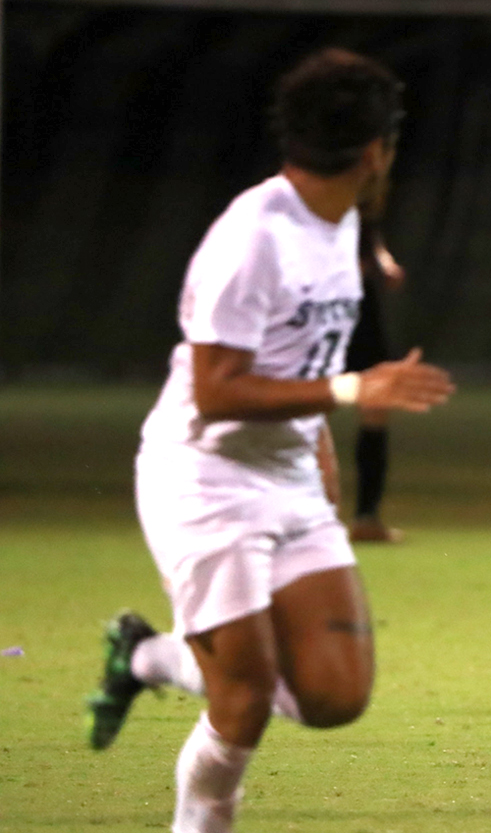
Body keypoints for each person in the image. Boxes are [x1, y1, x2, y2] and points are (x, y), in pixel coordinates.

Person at [86, 48, 455, 832]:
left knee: (334, 697)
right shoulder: (251, 237)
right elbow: (217, 390)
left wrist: (317, 447)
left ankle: (145, 656)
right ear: (375, 151)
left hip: (285, 475)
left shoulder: (343, 222)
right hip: (205, 478)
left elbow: (301, 357)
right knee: (245, 702)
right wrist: (355, 390)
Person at [345, 200, 407, 543]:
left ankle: (367, 517)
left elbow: (369, 238)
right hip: (320, 307)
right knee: (303, 412)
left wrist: (384, 262)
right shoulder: (311, 195)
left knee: (376, 405)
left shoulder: (362, 200)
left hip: (361, 309)